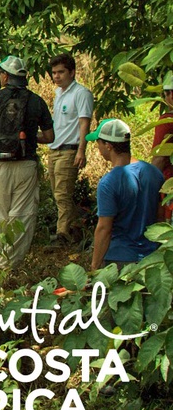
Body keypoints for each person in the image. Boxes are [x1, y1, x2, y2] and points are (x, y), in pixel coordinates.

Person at [0, 56, 55, 269]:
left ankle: (0, 264)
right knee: (22, 214)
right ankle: (14, 265)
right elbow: (50, 136)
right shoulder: (36, 101)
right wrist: (27, 137)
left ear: (6, 76)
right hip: (26, 164)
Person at [88, 119, 163, 271]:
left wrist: (95, 266)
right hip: (152, 259)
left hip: (120, 259)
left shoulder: (108, 183)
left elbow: (104, 228)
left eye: (99, 143)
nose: (98, 147)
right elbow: (161, 217)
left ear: (108, 146)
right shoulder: (154, 173)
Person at [48, 52, 94, 243]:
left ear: (72, 72)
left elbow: (84, 123)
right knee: (57, 193)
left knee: (62, 193)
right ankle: (76, 228)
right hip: (54, 148)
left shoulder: (81, 93)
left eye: (61, 72)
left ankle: (63, 235)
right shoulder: (58, 94)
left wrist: (81, 150)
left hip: (69, 149)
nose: (56, 76)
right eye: (54, 73)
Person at [151, 73, 173, 220]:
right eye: (167, 93)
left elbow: (159, 159)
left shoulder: (167, 122)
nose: (171, 97)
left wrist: (149, 187)